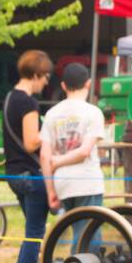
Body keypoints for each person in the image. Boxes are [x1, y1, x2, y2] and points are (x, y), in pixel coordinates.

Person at [3, 48, 53, 263]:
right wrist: (51, 134)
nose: (46, 82)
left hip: (13, 173)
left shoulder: (10, 97)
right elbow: (31, 142)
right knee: (34, 234)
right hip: (30, 175)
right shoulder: (28, 103)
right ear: (35, 74)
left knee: (32, 232)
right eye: (45, 76)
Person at [40, 62, 106, 228]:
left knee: (66, 231)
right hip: (87, 181)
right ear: (88, 83)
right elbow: (84, 152)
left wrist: (50, 191)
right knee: (87, 236)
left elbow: (44, 156)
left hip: (62, 182)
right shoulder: (93, 112)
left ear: (63, 86)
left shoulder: (51, 114)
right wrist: (58, 161)